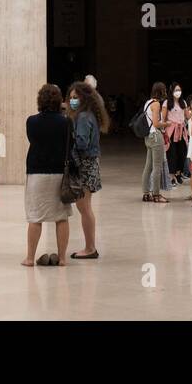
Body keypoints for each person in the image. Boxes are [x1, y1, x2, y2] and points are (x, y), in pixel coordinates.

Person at [23, 84, 71, 267]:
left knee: (35, 217)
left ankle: (29, 258)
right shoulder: (66, 122)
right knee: (61, 217)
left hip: (37, 172)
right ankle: (63, 258)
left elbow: (32, 139)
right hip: (60, 172)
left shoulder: (31, 121)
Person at [65, 80, 105, 260]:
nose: (72, 101)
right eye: (71, 97)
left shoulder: (82, 117)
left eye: (76, 97)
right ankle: (90, 246)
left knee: (84, 207)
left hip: (84, 165)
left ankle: (90, 248)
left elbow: (81, 143)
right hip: (90, 164)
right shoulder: (89, 115)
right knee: (86, 207)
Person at [140, 82, 171, 203]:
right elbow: (156, 123)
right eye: (164, 90)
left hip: (148, 137)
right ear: (160, 91)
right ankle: (157, 195)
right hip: (156, 137)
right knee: (157, 167)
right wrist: (166, 124)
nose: (165, 93)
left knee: (148, 166)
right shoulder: (157, 104)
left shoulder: (148, 103)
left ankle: (146, 193)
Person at [164, 85, 188, 186]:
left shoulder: (183, 102)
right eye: (176, 90)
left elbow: (187, 116)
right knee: (172, 153)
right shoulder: (167, 102)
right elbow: (163, 117)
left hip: (181, 130)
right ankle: (171, 176)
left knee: (182, 153)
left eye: (179, 90)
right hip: (171, 130)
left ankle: (179, 173)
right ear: (171, 91)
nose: (178, 92)